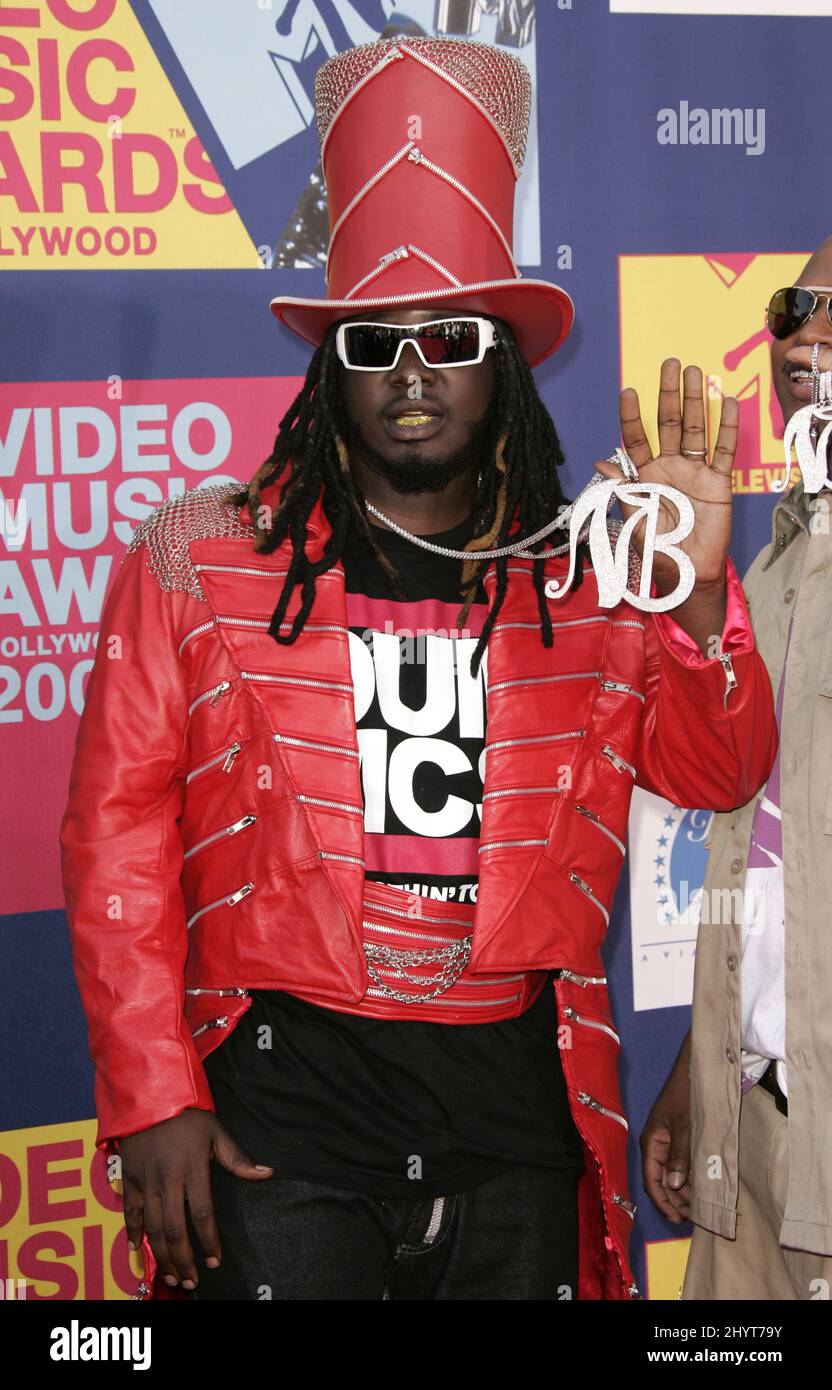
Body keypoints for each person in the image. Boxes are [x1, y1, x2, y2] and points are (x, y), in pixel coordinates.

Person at [59, 35, 776, 1302]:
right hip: (280, 1137)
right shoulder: (195, 562)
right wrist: (151, 1092)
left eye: (448, 335)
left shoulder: (595, 578)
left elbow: (721, 771)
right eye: (369, 342)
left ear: (501, 363)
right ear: (324, 373)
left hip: (513, 1139)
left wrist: (700, 592)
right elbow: (112, 837)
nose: (409, 374)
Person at [641, 235, 832, 1301]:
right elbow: (757, 860)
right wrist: (693, 1074)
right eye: (790, 310)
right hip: (751, 1131)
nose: (808, 336)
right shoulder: (766, 564)